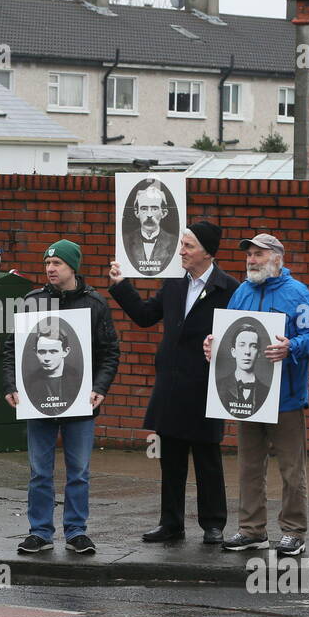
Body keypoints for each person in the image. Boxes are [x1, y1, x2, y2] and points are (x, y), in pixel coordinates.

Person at [110, 221, 239, 544]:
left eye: (188, 246)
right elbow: (144, 315)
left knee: (207, 458)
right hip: (171, 385)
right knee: (171, 459)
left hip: (207, 385)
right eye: (181, 244)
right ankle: (171, 523)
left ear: (208, 252)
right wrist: (121, 285)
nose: (180, 251)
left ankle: (213, 524)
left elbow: (242, 332)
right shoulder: (174, 285)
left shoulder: (230, 290)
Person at [207, 233, 309, 556]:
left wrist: (291, 347)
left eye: (258, 254)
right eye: (249, 255)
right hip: (250, 398)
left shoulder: (296, 293)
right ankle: (251, 529)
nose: (251, 260)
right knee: (249, 467)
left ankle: (294, 531)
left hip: (285, 397)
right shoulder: (242, 293)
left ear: (277, 258)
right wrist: (212, 347)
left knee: (291, 468)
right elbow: (228, 337)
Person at [4, 240, 119, 554]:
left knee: (78, 471)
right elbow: (11, 350)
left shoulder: (95, 303)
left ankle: (76, 531)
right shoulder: (32, 300)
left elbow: (110, 352)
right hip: (37, 400)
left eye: (57, 264)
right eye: (47, 264)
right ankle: (40, 532)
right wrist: (10, 385)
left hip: (80, 401)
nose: (50, 269)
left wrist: (100, 387)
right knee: (39, 470)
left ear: (73, 267)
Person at [26, 322, 84, 415]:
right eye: (42, 352)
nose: (47, 358)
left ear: (65, 351)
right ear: (35, 352)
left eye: (53, 351)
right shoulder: (29, 382)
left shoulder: (78, 379)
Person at [215, 321, 270, 418]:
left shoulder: (267, 391)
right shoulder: (219, 387)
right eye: (242, 345)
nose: (247, 352)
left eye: (253, 346)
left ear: (259, 353)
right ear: (233, 351)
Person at [124, 181, 177, 275]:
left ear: (164, 213)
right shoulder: (125, 240)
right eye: (144, 209)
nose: (149, 215)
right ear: (137, 213)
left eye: (154, 209)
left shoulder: (174, 242)